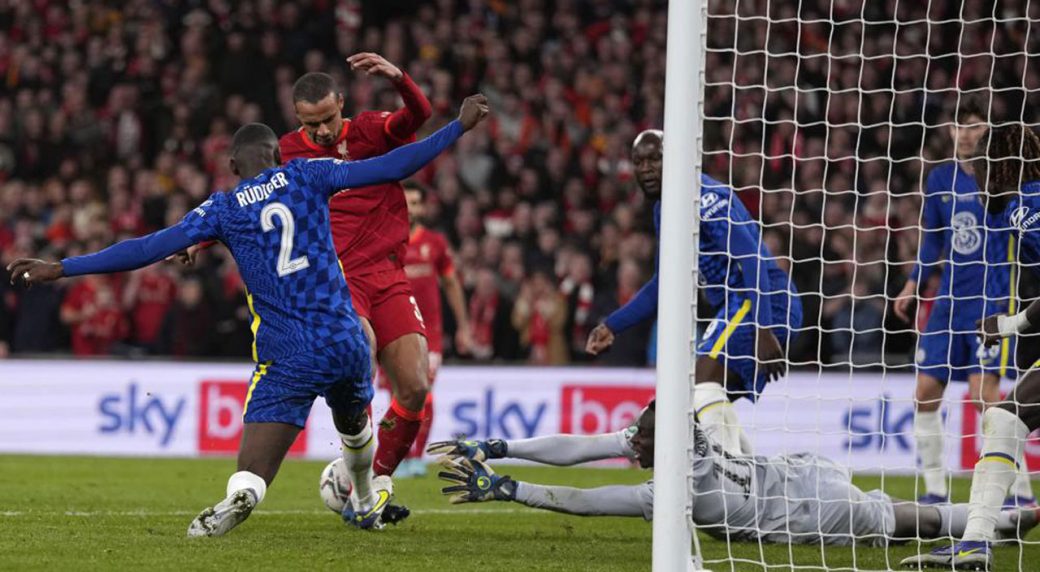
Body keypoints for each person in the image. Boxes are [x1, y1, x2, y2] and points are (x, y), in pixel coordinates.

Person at [7, 95, 489, 537]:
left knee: (254, 465)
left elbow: (146, 248)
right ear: (279, 157)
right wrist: (456, 129)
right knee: (355, 430)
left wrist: (62, 267)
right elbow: (391, 165)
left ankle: (243, 493)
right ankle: (364, 501)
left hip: (290, 352)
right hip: (346, 337)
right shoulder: (309, 176)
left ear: (233, 166)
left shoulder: (224, 208)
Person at [427, 402, 1038, 547]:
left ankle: (1007, 524)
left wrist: (510, 489)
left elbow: (587, 501)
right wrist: (496, 446)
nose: (628, 446)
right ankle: (1005, 517)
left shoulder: (681, 491)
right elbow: (586, 447)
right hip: (803, 470)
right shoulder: (686, 441)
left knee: (907, 522)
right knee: (892, 508)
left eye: (636, 442)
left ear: (656, 446)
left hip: (812, 513)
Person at [585, 130, 802, 455]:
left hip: (760, 300)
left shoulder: (707, 198)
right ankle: (750, 479)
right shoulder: (665, 209)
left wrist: (762, 326)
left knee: (699, 387)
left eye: (654, 159)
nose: (645, 168)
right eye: (638, 162)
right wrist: (612, 325)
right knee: (695, 400)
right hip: (739, 306)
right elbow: (664, 282)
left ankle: (730, 484)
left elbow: (752, 261)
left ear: (677, 158)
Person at [279, 54, 437, 480]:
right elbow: (248, 206)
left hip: (387, 273)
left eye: (329, 118)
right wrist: (201, 239)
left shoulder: (370, 130)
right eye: (312, 124)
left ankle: (376, 481)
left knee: (415, 387)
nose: (324, 131)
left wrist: (399, 77)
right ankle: (361, 483)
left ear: (341, 104)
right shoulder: (287, 154)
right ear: (297, 118)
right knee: (359, 352)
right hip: (337, 278)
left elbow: (420, 115)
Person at [902, 123, 1040, 570]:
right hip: (953, 308)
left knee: (996, 410)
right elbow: (932, 241)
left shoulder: (1026, 208)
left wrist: (1009, 322)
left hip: (989, 305)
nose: (976, 174)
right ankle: (976, 541)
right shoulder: (1012, 201)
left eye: (983, 164)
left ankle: (990, 528)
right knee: (1002, 416)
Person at [395, 180, 472, 477]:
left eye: (415, 203)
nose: (410, 209)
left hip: (430, 335)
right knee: (398, 398)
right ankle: (399, 456)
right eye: (406, 202)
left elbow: (451, 284)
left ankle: (416, 457)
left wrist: (463, 326)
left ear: (423, 207)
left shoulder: (435, 244)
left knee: (423, 392)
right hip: (395, 333)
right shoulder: (387, 240)